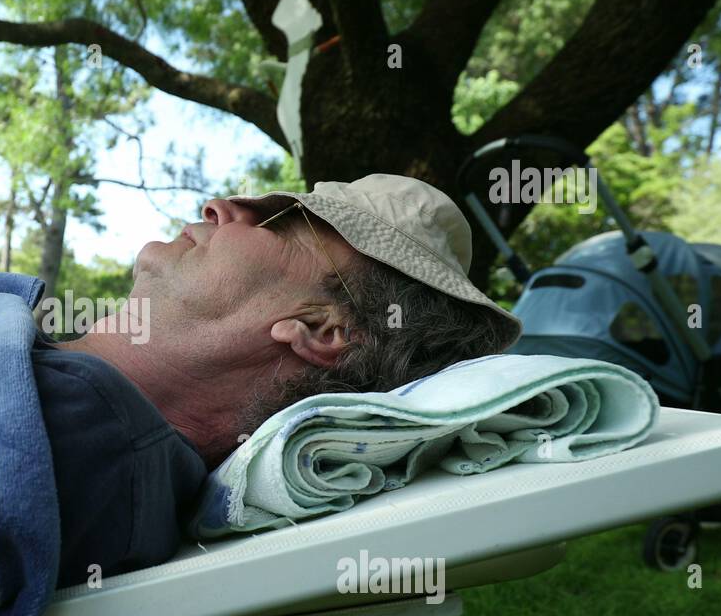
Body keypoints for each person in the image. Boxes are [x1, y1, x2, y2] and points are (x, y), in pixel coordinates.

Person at [34, 174, 522, 588]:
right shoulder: (46, 375)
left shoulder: (67, 439)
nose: (218, 207)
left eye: (281, 226)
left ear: (322, 329)